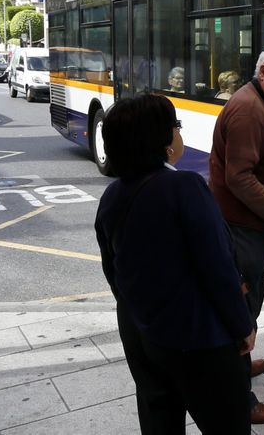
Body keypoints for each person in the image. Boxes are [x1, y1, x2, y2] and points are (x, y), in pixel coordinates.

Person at [95, 94, 254, 435]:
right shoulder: (185, 187)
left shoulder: (112, 196)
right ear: (163, 141)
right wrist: (242, 326)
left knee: (160, 422)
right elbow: (217, 268)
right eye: (176, 126)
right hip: (196, 338)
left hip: (140, 335)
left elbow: (113, 271)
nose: (179, 134)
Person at [208, 46, 264, 425]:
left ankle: (242, 367)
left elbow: (258, 168)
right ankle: (240, 401)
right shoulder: (248, 109)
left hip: (250, 226)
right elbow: (239, 177)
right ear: (263, 72)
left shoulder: (260, 103)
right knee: (241, 311)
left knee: (248, 304)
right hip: (242, 229)